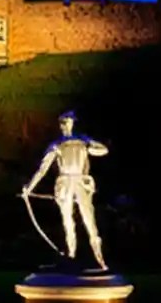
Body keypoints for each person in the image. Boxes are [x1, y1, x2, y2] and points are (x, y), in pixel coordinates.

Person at [22, 110, 109, 270]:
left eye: (69, 121)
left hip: (80, 182)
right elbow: (43, 168)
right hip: (65, 183)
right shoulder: (57, 144)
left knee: (89, 219)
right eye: (64, 122)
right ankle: (71, 256)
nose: (66, 125)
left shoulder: (82, 140)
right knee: (68, 221)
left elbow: (103, 150)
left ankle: (100, 259)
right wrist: (30, 187)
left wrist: (88, 145)